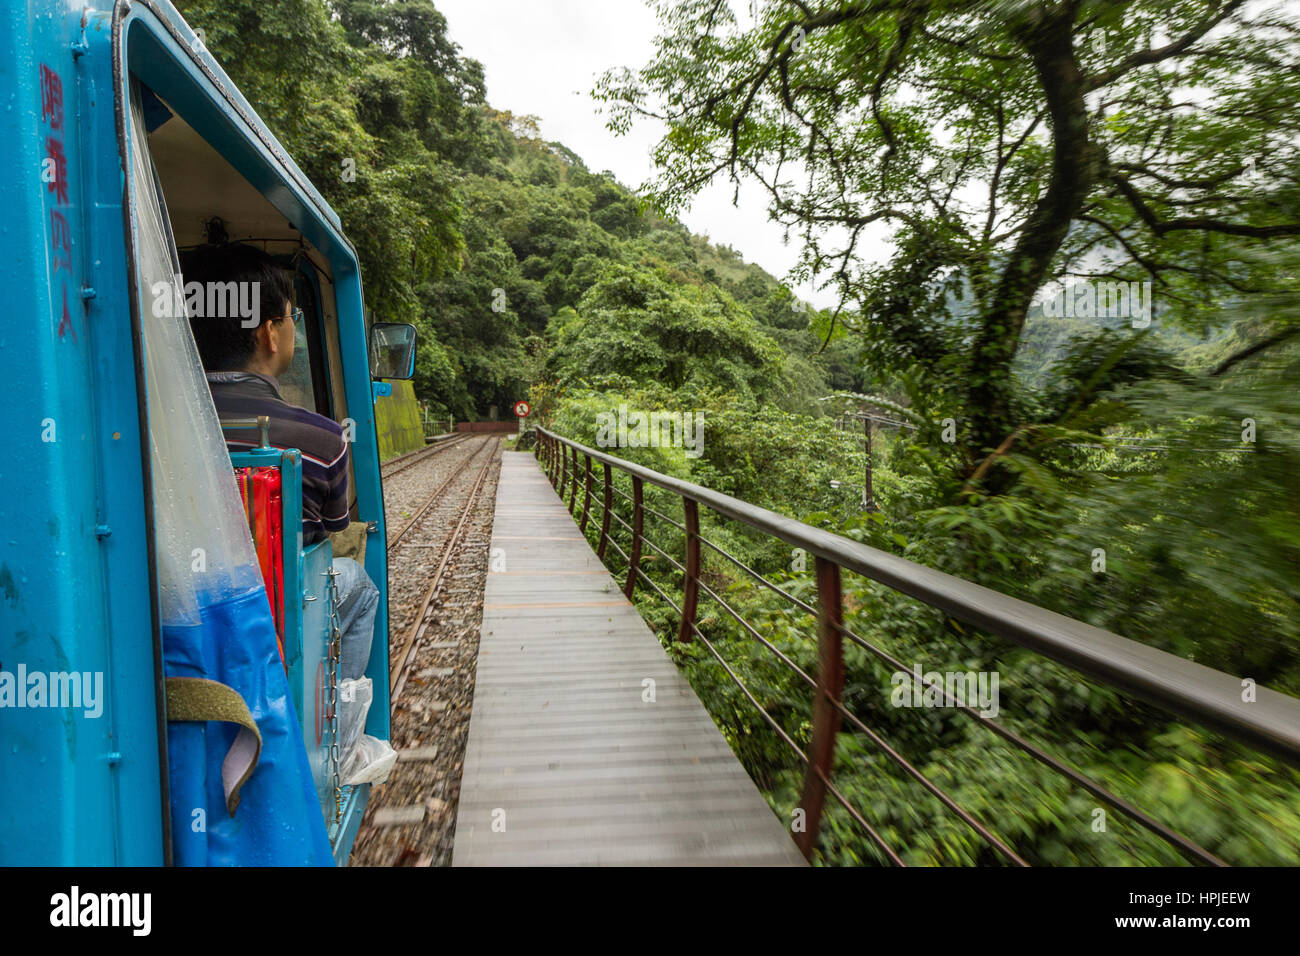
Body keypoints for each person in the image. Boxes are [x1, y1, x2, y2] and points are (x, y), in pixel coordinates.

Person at [180, 242, 377, 684]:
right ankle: (332, 737)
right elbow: (331, 530)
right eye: (292, 319)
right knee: (358, 583)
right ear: (270, 332)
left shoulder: (147, 428)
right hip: (270, 621)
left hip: (176, 616)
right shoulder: (322, 439)